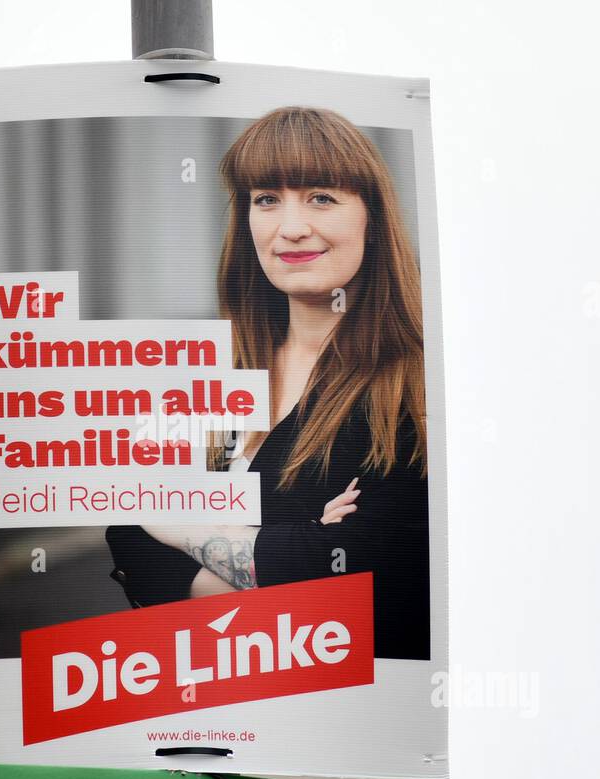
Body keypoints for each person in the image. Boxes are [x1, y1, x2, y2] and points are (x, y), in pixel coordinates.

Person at [105, 106, 430, 660]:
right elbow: (128, 536)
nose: (292, 226)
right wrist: (282, 559)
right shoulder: (214, 372)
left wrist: (181, 523)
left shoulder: (414, 382)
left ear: (371, 216)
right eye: (266, 199)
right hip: (205, 700)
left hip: (344, 715)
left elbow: (360, 576)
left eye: (322, 197)